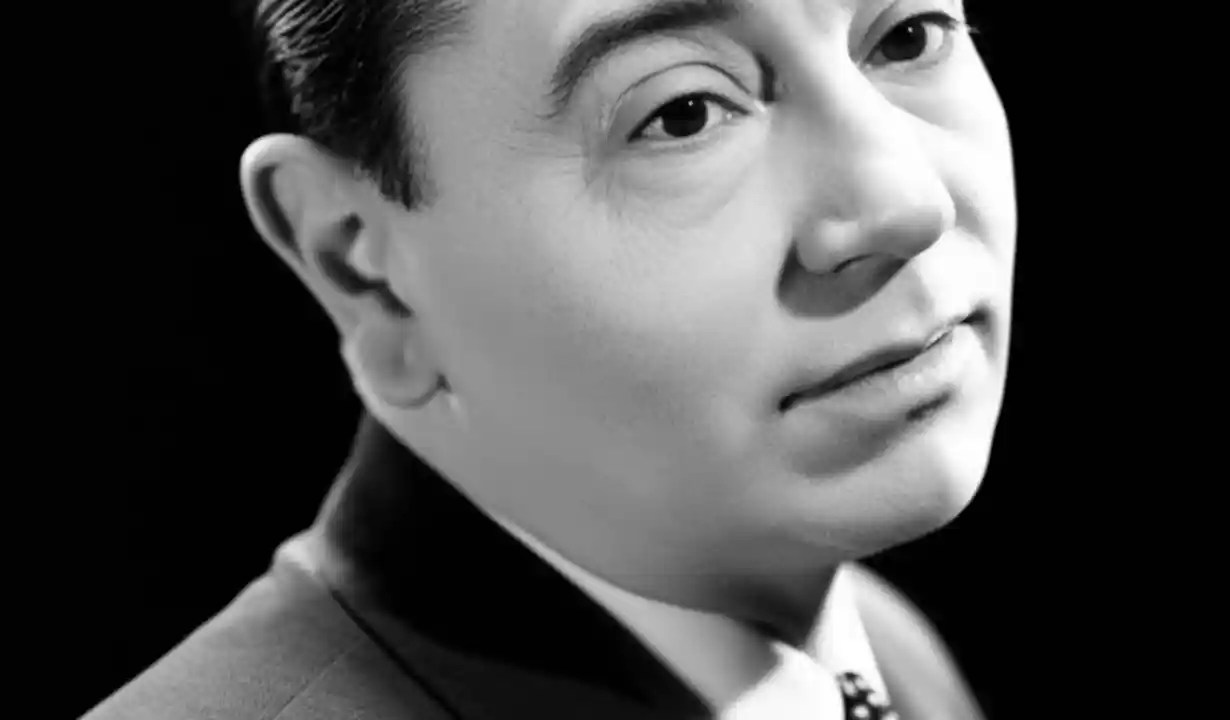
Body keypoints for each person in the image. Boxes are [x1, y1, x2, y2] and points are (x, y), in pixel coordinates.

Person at [87, 0, 1015, 717]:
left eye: (908, 36)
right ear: (366, 269)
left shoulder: (876, 651)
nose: (907, 202)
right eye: (684, 112)